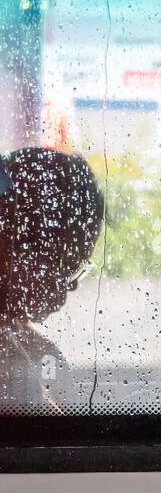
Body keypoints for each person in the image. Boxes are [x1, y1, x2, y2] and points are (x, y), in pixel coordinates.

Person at [0, 148, 105, 411]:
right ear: (14, 243)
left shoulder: (22, 347)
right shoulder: (16, 364)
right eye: (65, 268)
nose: (64, 292)